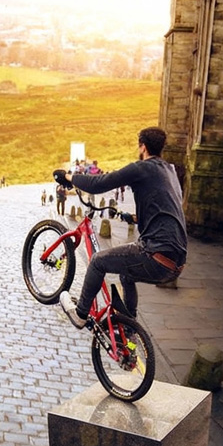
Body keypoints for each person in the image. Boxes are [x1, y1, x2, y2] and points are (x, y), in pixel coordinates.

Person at [53, 127, 187, 328]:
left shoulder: (142, 168)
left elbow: (99, 183)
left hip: (156, 255)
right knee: (126, 274)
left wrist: (69, 177)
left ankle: (80, 314)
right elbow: (164, 209)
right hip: (176, 264)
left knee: (97, 261)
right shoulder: (170, 171)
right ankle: (129, 325)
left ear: (142, 147)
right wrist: (133, 218)